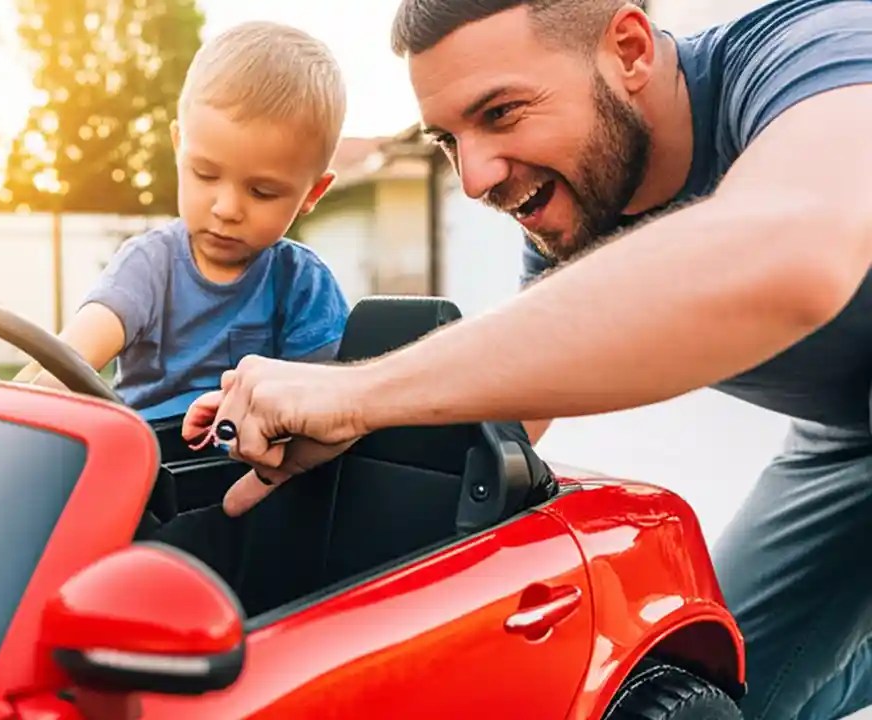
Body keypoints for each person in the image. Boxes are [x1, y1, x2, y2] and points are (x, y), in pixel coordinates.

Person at [185, 1, 872, 719]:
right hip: (845, 439)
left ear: (632, 50)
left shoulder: (816, 49)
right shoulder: (578, 208)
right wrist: (341, 434)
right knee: (725, 689)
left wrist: (364, 394)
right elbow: (514, 409)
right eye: (449, 141)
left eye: (503, 113)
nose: (475, 177)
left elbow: (793, 257)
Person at [16, 20, 350, 423]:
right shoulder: (149, 266)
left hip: (254, 469)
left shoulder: (303, 285)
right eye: (206, 174)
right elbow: (65, 363)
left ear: (312, 194)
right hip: (148, 467)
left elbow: (322, 407)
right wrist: (15, 407)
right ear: (179, 148)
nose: (227, 208)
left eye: (262, 192)